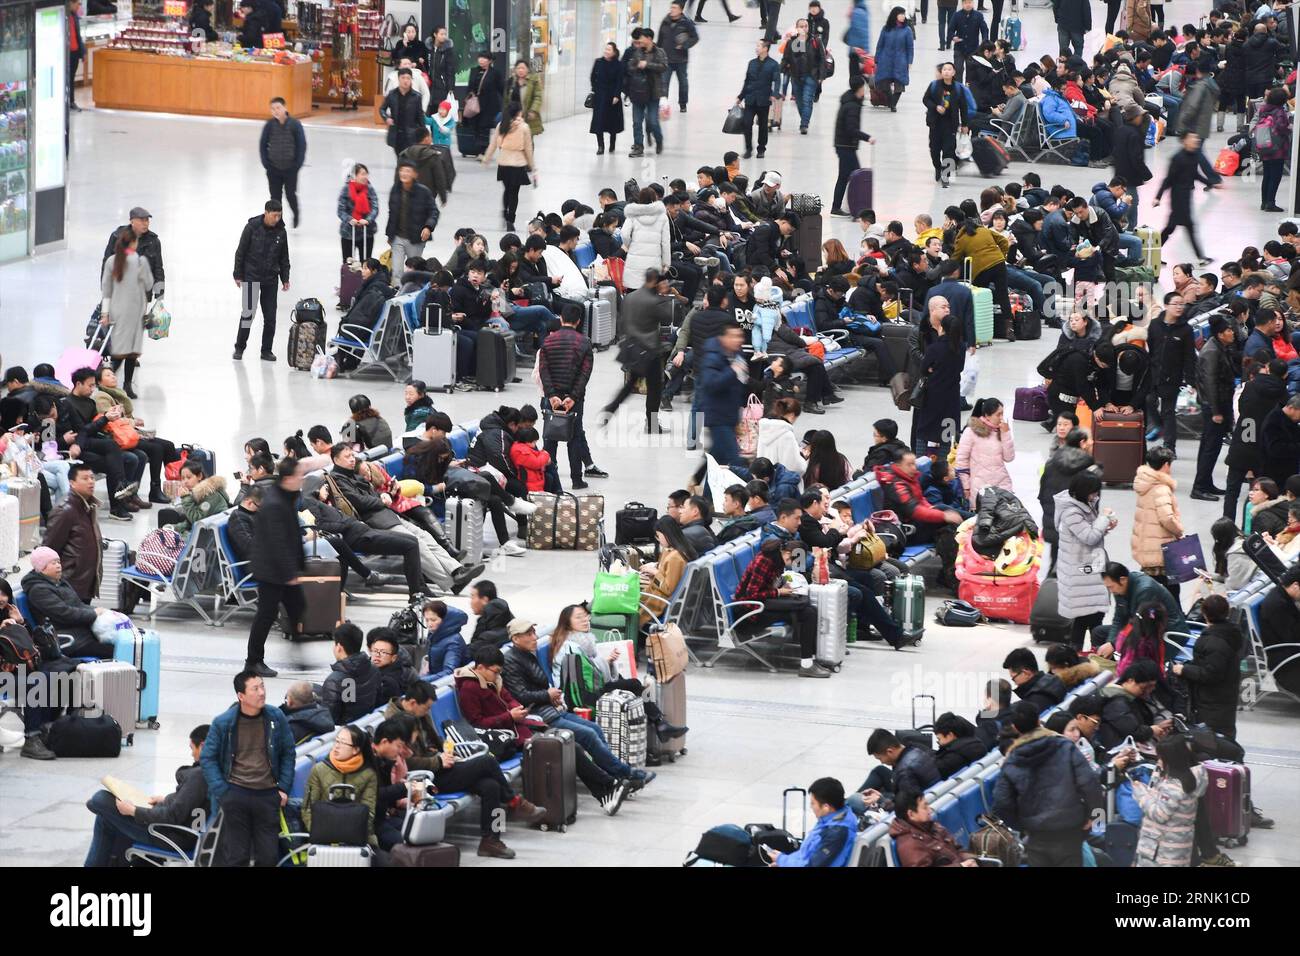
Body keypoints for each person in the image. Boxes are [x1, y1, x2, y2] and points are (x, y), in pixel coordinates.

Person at [453, 645, 631, 817]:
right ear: (481, 667)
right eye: (495, 671)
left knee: (570, 745)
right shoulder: (470, 688)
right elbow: (476, 724)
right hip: (503, 741)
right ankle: (609, 786)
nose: (498, 676)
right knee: (566, 747)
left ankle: (607, 790)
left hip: (519, 729)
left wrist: (518, 709)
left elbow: (509, 698)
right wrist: (509, 717)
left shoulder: (493, 680)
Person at [502, 619, 653, 786]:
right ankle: (625, 774)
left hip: (550, 709)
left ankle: (616, 773)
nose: (535, 637)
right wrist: (547, 694)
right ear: (516, 639)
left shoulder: (527, 654)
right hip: (538, 717)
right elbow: (521, 695)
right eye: (529, 634)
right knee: (588, 735)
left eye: (534, 632)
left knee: (594, 728)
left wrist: (551, 696)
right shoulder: (511, 661)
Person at [199, 670, 296, 867]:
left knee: (268, 857)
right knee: (236, 856)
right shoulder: (223, 723)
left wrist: (283, 788)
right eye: (255, 688)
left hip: (267, 794)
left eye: (262, 686)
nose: (261, 692)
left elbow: (288, 752)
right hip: (236, 794)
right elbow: (207, 758)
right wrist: (223, 791)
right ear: (241, 696)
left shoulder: (275, 717)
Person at [84, 724, 210, 866]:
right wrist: (167, 799)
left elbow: (173, 815)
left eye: (192, 748)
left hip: (168, 836)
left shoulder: (200, 776)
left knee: (100, 799)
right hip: (177, 832)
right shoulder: (212, 772)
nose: (192, 754)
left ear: (203, 746)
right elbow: (191, 804)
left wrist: (134, 811)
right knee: (106, 818)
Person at [244, 458, 305, 679]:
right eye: (299, 476)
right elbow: (278, 542)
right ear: (289, 478)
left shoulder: (285, 496)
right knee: (266, 615)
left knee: (298, 605)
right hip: (271, 570)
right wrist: (290, 574)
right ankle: (253, 662)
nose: (302, 479)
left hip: (280, 568)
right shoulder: (275, 504)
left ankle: (298, 649)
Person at [735, 537, 826, 677]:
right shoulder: (764, 561)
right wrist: (778, 592)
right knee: (807, 612)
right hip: (749, 613)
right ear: (788, 553)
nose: (790, 565)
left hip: (762, 604)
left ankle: (809, 661)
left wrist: (781, 586)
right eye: (791, 561)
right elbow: (751, 595)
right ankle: (807, 664)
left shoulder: (777, 558)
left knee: (809, 610)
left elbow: (768, 584)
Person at [601, 268, 675, 433]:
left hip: (632, 347)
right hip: (649, 351)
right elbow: (667, 318)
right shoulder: (653, 300)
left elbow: (622, 323)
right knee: (655, 388)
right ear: (655, 281)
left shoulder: (630, 297)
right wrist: (663, 296)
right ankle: (652, 425)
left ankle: (610, 409)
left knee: (629, 385)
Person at [1054, 471, 1117, 650]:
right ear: (1083, 491)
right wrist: (1103, 518)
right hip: (1082, 574)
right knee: (1088, 618)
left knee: (1089, 617)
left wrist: (1105, 526)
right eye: (1094, 492)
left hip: (1087, 569)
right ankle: (1090, 656)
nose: (1096, 496)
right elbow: (1089, 537)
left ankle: (1085, 656)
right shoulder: (1072, 512)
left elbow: (1087, 535)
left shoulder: (1082, 505)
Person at [538, 305, 595, 491]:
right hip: (574, 400)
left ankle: (549, 478)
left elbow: (543, 371)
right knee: (575, 437)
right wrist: (573, 397)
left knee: (550, 438)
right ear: (579, 321)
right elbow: (585, 374)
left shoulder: (548, 341)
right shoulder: (584, 343)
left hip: (552, 398)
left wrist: (552, 395)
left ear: (561, 319)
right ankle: (576, 480)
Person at [21, 546, 113, 658]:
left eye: (58, 562)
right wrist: (93, 614)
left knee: (121, 640)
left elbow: (78, 605)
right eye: (53, 563)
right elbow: (65, 614)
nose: (58, 565)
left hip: (81, 632)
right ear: (42, 568)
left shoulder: (59, 582)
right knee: (116, 650)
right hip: (69, 639)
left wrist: (101, 611)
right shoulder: (39, 590)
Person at [1129, 736, 1208, 868]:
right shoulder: (1191, 777)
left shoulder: (1173, 787)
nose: (1158, 761)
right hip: (1177, 849)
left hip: (1162, 851)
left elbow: (1159, 814)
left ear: (1171, 760)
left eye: (1160, 758)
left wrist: (1140, 793)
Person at [1171, 594, 1240, 740]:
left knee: (1212, 739)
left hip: (1210, 701)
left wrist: (1184, 669)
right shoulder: (1232, 634)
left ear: (1205, 614)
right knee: (1224, 735)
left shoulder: (1213, 642)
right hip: (1226, 696)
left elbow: (1210, 674)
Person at [301, 725, 379, 849]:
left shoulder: (368, 774)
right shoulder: (319, 770)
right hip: (323, 837)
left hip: (359, 838)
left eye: (343, 743)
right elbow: (307, 809)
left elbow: (368, 813)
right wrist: (321, 833)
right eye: (337, 741)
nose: (337, 746)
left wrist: (350, 836)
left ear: (356, 750)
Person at [98, 228, 154, 396]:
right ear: (133, 243)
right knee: (131, 352)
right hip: (135, 311)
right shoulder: (140, 261)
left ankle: (105, 383)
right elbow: (149, 284)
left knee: (119, 351)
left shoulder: (111, 262)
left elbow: (106, 290)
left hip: (117, 312)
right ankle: (127, 386)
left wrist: (105, 313)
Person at [232, 200, 290, 362]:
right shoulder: (252, 227)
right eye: (274, 215)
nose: (277, 219)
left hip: (271, 279)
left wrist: (285, 278)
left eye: (279, 215)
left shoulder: (281, 232)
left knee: (270, 318)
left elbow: (284, 257)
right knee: (248, 314)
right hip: (252, 277)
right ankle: (239, 347)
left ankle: (266, 350)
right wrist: (238, 274)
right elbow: (240, 252)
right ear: (266, 213)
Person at [1152, 131, 1215, 267]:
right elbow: (1168, 179)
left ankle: (1153, 253)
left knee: (1170, 228)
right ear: (1184, 141)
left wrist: (1211, 183)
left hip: (1186, 196)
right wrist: (1158, 197)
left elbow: (1195, 174)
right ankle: (1201, 257)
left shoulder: (1193, 156)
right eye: (1193, 138)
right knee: (1186, 227)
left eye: (1196, 138)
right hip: (1178, 197)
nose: (1196, 140)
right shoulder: (1178, 158)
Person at [41, 463, 102, 603]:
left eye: (92, 478)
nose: (91, 481)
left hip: (84, 582)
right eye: (85, 478)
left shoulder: (88, 506)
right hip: (70, 583)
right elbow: (49, 548)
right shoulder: (65, 510)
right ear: (72, 483)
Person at [1039, 429, 1095, 575]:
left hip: (1054, 521)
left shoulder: (1052, 461)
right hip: (1077, 527)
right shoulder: (1088, 467)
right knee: (1075, 570)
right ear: (1082, 443)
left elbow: (1042, 492)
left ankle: (1050, 591)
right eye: (1090, 439)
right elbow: (1092, 502)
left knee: (1054, 564)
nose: (1092, 442)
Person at [767, 778, 858, 867]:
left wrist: (781, 860)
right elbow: (806, 855)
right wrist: (784, 862)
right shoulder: (834, 819)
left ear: (826, 807)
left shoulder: (836, 833)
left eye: (813, 803)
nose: (811, 807)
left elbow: (812, 865)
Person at [698, 321, 751, 469]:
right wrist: (732, 371)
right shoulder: (712, 357)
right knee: (736, 460)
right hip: (717, 416)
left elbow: (740, 383)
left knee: (717, 458)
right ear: (723, 338)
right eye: (733, 336)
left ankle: (698, 481)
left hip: (730, 415)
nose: (738, 340)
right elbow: (710, 384)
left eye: (740, 336)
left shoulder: (737, 354)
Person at [1131, 446, 1184, 593]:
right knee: (1171, 592)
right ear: (1166, 464)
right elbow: (1167, 518)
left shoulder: (1144, 483)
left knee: (1151, 590)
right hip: (1161, 550)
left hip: (1146, 544)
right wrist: (1179, 531)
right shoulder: (1161, 488)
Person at [915, 307, 966, 457]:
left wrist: (932, 370)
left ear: (942, 327)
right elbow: (960, 368)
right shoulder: (960, 348)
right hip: (952, 397)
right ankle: (944, 461)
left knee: (925, 430)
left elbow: (923, 369)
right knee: (947, 433)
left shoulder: (934, 348)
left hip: (933, 396)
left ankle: (921, 460)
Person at [889, 789, 979, 866]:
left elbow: (958, 850)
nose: (929, 810)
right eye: (925, 807)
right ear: (911, 814)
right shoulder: (909, 844)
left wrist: (974, 860)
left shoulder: (932, 826)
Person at [858, 729, 942, 811]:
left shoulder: (904, 772)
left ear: (890, 751)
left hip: (920, 804)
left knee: (856, 800)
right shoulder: (916, 747)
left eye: (880, 758)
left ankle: (849, 804)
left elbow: (905, 809)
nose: (882, 762)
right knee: (880, 771)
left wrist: (880, 800)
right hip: (928, 793)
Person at [482, 104, 535, 234]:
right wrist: (532, 165)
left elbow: (493, 144)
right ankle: (510, 220)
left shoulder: (502, 125)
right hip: (517, 164)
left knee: (507, 190)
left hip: (504, 163)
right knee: (514, 193)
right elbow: (528, 148)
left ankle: (504, 213)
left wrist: (486, 159)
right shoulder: (524, 127)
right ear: (518, 113)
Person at [384, 162, 438, 285]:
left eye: (408, 171)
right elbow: (392, 213)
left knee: (413, 271)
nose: (404, 174)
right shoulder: (395, 189)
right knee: (397, 271)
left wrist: (428, 227)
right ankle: (397, 297)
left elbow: (433, 211)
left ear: (415, 174)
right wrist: (389, 235)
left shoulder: (424, 192)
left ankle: (410, 293)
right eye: (402, 170)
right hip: (397, 237)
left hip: (416, 238)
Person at [100, 207, 164, 307]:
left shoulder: (154, 241)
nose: (146, 223)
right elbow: (106, 264)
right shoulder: (117, 237)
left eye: (147, 220)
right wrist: (106, 290)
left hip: (142, 295)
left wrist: (159, 296)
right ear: (132, 221)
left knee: (139, 320)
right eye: (142, 220)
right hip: (119, 292)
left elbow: (158, 268)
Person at [639, 516, 698, 625]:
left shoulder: (675, 557)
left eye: (659, 536)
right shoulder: (679, 550)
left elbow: (668, 589)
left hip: (660, 604)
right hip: (666, 600)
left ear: (667, 534)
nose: (658, 539)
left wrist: (655, 573)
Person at [318, 623, 380, 725]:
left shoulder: (335, 680)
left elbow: (329, 720)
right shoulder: (374, 670)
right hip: (366, 723)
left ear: (339, 647)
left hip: (343, 733)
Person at [258, 97, 306, 229]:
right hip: (273, 169)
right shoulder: (269, 125)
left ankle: (296, 213)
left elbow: (301, 145)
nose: (275, 111)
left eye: (278, 108)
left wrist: (297, 165)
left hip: (291, 169)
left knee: (290, 194)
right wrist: (266, 163)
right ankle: (278, 221)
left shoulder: (295, 125)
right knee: (275, 197)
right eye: (273, 109)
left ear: (285, 108)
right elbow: (262, 145)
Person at [829, 77, 874, 216]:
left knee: (849, 176)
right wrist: (868, 137)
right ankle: (854, 208)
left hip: (844, 145)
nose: (865, 90)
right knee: (854, 177)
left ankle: (845, 206)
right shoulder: (852, 106)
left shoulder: (850, 101)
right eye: (864, 88)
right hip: (845, 146)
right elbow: (851, 129)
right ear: (859, 89)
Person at [955, 397, 1015, 500]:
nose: (1001, 418)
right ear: (987, 415)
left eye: (1002, 414)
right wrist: (966, 487)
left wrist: (1006, 434)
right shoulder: (971, 432)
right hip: (980, 488)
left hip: (1003, 485)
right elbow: (961, 461)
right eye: (998, 414)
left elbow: (1009, 458)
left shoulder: (1001, 432)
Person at [623, 28, 668, 157]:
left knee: (653, 121)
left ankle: (659, 140)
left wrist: (647, 64)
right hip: (638, 92)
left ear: (649, 39)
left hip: (653, 93)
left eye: (642, 38)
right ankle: (638, 146)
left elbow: (664, 66)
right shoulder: (637, 52)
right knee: (637, 122)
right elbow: (630, 67)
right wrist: (637, 65)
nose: (640, 40)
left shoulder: (659, 52)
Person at [736, 38, 782, 160]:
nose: (756, 48)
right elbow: (747, 81)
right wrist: (741, 96)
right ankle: (748, 149)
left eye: (759, 46)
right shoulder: (751, 63)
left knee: (762, 126)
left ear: (765, 49)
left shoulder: (773, 64)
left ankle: (761, 148)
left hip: (763, 100)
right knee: (747, 124)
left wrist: (775, 94)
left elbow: (777, 80)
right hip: (750, 99)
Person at [923, 63, 968, 185]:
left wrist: (965, 124)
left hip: (951, 124)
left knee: (949, 151)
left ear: (954, 72)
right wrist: (935, 107)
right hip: (935, 123)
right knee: (934, 149)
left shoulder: (959, 88)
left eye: (949, 69)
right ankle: (937, 166)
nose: (947, 72)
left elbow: (964, 107)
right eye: (944, 69)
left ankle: (946, 175)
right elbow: (925, 99)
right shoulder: (934, 85)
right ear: (941, 72)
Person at [781, 17, 825, 133]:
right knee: (799, 102)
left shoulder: (816, 40)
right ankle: (805, 119)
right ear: (796, 28)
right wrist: (782, 68)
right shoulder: (792, 42)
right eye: (801, 26)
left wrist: (821, 76)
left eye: (806, 26)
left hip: (811, 75)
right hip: (795, 76)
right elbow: (790, 57)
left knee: (807, 100)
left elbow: (822, 59)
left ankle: (804, 124)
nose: (804, 28)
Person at [1256, 87, 1292, 212]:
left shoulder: (1263, 110)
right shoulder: (1280, 112)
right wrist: (1290, 128)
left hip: (1265, 146)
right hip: (1277, 149)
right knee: (1275, 176)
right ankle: (1271, 203)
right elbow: (1282, 128)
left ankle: (1264, 201)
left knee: (1267, 175)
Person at [659, 1, 699, 113]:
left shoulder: (686, 23)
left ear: (681, 10)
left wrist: (684, 45)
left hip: (681, 60)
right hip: (666, 59)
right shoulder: (665, 21)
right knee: (663, 83)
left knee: (683, 83)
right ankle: (663, 105)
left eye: (675, 8)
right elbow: (660, 39)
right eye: (671, 7)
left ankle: (683, 103)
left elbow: (695, 37)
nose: (672, 10)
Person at [873, 7, 914, 113]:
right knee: (884, 84)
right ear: (895, 15)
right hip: (886, 59)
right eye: (901, 14)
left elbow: (910, 47)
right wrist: (877, 58)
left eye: (904, 14)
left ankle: (893, 104)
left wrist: (910, 61)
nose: (903, 16)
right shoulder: (886, 28)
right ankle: (891, 103)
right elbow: (880, 44)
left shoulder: (907, 30)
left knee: (900, 84)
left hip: (901, 61)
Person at [380, 68, 426, 162]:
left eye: (408, 78)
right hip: (396, 135)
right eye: (403, 78)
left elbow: (420, 116)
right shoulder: (392, 94)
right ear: (398, 79)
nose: (406, 80)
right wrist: (386, 118)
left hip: (411, 135)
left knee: (409, 161)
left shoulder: (416, 97)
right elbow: (382, 109)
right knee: (400, 160)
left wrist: (423, 134)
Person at [1003, 647, 1067, 712]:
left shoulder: (1031, 705)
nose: (1015, 683)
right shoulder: (1055, 681)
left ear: (1025, 673)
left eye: (1013, 678)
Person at [590, 42, 626, 155]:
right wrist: (595, 89)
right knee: (598, 123)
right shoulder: (598, 62)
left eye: (609, 50)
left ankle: (612, 144)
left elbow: (620, 81)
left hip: (612, 98)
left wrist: (616, 95)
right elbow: (593, 77)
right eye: (606, 49)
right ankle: (600, 146)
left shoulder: (619, 65)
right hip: (600, 97)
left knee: (612, 123)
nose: (606, 51)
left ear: (614, 52)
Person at [1259, 394, 1300, 486]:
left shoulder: (1290, 420)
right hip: (1274, 474)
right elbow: (1276, 449)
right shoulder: (1273, 421)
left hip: (1287, 471)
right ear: (1291, 408)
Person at [933, 713, 988, 778]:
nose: (939, 742)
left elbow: (932, 773)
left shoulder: (953, 757)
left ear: (950, 735)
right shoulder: (975, 744)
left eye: (939, 739)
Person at [948, 0, 987, 83]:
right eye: (966, 3)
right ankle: (959, 89)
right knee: (958, 70)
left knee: (971, 72)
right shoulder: (956, 15)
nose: (968, 5)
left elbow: (984, 30)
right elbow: (950, 30)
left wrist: (984, 43)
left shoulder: (978, 16)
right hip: (959, 48)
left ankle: (968, 90)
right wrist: (953, 37)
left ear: (973, 3)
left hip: (973, 49)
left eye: (970, 2)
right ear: (962, 4)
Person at [507, 59, 544, 137]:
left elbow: (538, 97)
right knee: (516, 139)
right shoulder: (512, 81)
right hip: (514, 116)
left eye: (523, 68)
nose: (520, 70)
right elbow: (507, 98)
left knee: (528, 139)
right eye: (518, 68)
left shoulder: (534, 80)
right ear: (515, 69)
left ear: (527, 69)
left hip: (528, 115)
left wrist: (533, 110)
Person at [428, 26, 457, 108]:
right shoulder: (428, 49)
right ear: (435, 34)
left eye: (445, 34)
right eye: (441, 34)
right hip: (428, 85)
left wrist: (450, 88)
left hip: (442, 86)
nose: (444, 36)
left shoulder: (448, 51)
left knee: (441, 111)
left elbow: (450, 70)